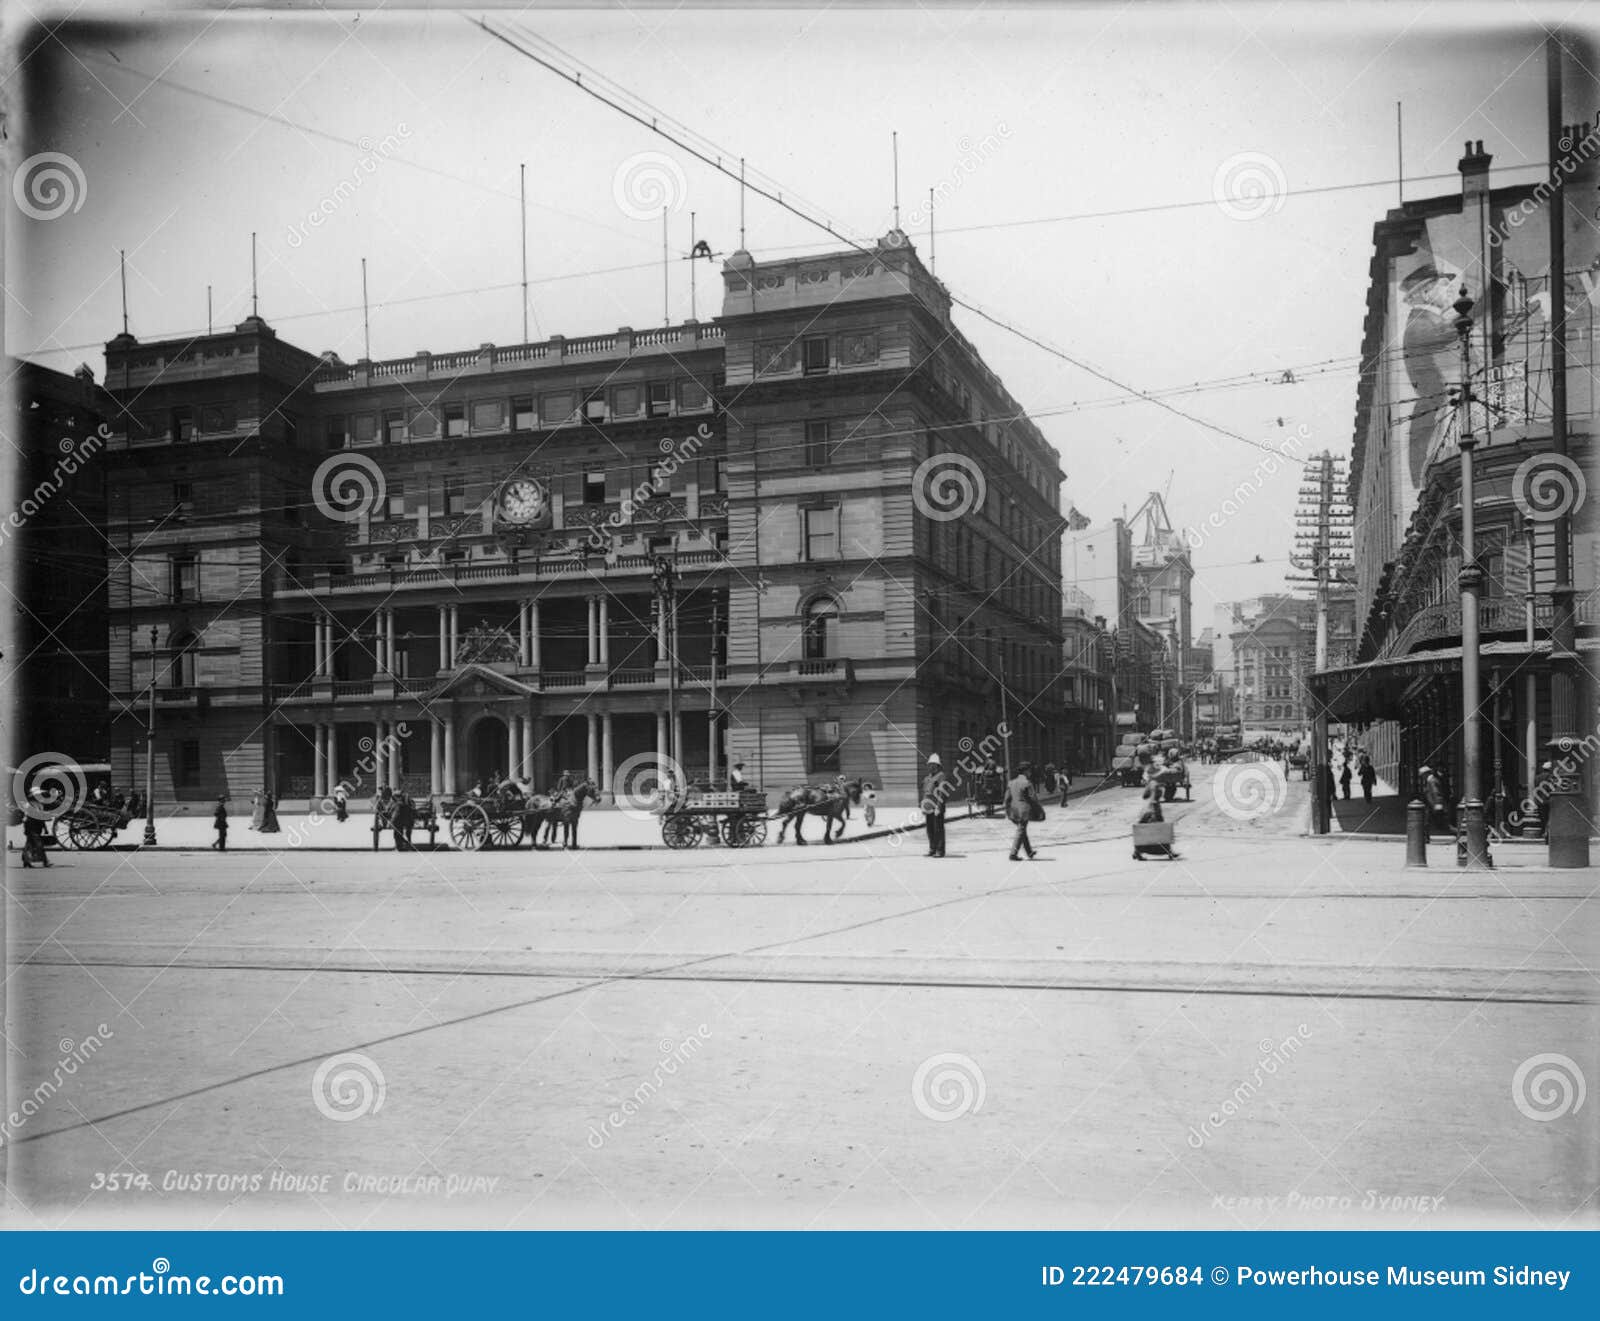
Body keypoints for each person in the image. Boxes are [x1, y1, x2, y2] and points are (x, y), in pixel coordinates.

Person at [1005, 761, 1041, 861]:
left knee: (1022, 831)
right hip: (1023, 811)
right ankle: (1013, 853)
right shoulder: (1027, 783)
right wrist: (1038, 810)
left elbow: (1007, 798)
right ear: (1025, 772)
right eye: (1029, 771)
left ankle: (1029, 852)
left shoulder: (1011, 782)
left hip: (1013, 811)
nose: (1030, 773)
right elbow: (1033, 798)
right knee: (1021, 830)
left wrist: (1007, 810)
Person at [920, 754, 948, 858]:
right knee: (930, 830)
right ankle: (932, 849)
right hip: (928, 808)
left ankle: (940, 851)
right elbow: (925, 793)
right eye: (930, 765)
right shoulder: (927, 778)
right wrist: (922, 806)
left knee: (938, 830)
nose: (931, 767)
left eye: (933, 765)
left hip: (936, 807)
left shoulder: (941, 776)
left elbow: (942, 793)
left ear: (937, 766)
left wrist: (939, 807)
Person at [21, 788, 53, 868]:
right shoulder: (30, 805)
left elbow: (41, 817)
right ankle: (45, 861)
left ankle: (26, 861)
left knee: (29, 845)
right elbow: (34, 816)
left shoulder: (40, 804)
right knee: (39, 844)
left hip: (37, 827)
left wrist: (45, 829)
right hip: (31, 826)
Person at [1418, 765, 1451, 837]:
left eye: (1422, 775)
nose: (1422, 777)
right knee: (1427, 822)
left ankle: (1460, 834)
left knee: (1442, 823)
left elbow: (1436, 792)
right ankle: (1425, 837)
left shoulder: (1431, 781)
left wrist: (1438, 804)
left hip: (1434, 804)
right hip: (1431, 804)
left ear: (1426, 774)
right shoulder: (1431, 780)